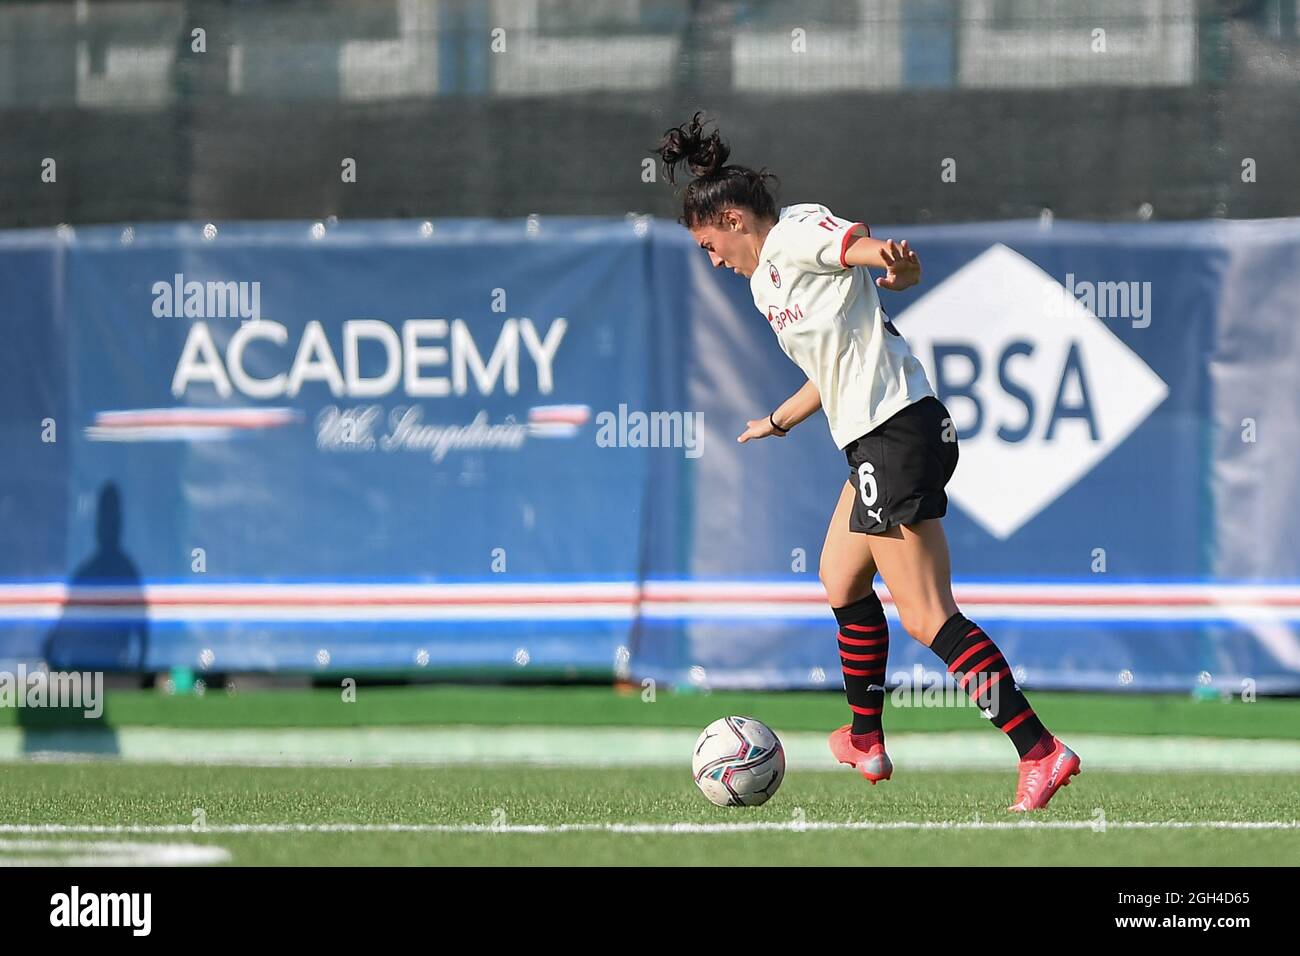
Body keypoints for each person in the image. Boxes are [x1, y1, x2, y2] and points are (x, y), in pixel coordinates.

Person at [656, 113, 1080, 811]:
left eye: (709, 245)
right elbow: (833, 364)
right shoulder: (767, 285)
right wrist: (780, 420)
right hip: (878, 440)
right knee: (840, 578)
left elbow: (852, 245)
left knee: (927, 616)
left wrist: (890, 259)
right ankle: (864, 738)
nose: (712, 260)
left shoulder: (794, 233)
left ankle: (1040, 751)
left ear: (733, 219)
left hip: (897, 434)